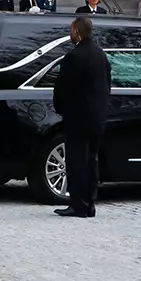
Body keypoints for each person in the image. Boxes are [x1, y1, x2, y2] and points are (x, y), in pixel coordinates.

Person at [51, 16, 111, 218]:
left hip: (77, 118)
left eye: (71, 30)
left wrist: (61, 108)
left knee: (76, 162)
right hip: (96, 118)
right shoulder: (100, 55)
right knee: (91, 162)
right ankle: (90, 203)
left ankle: (78, 204)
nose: (70, 33)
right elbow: (107, 85)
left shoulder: (74, 57)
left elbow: (62, 88)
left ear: (77, 32)